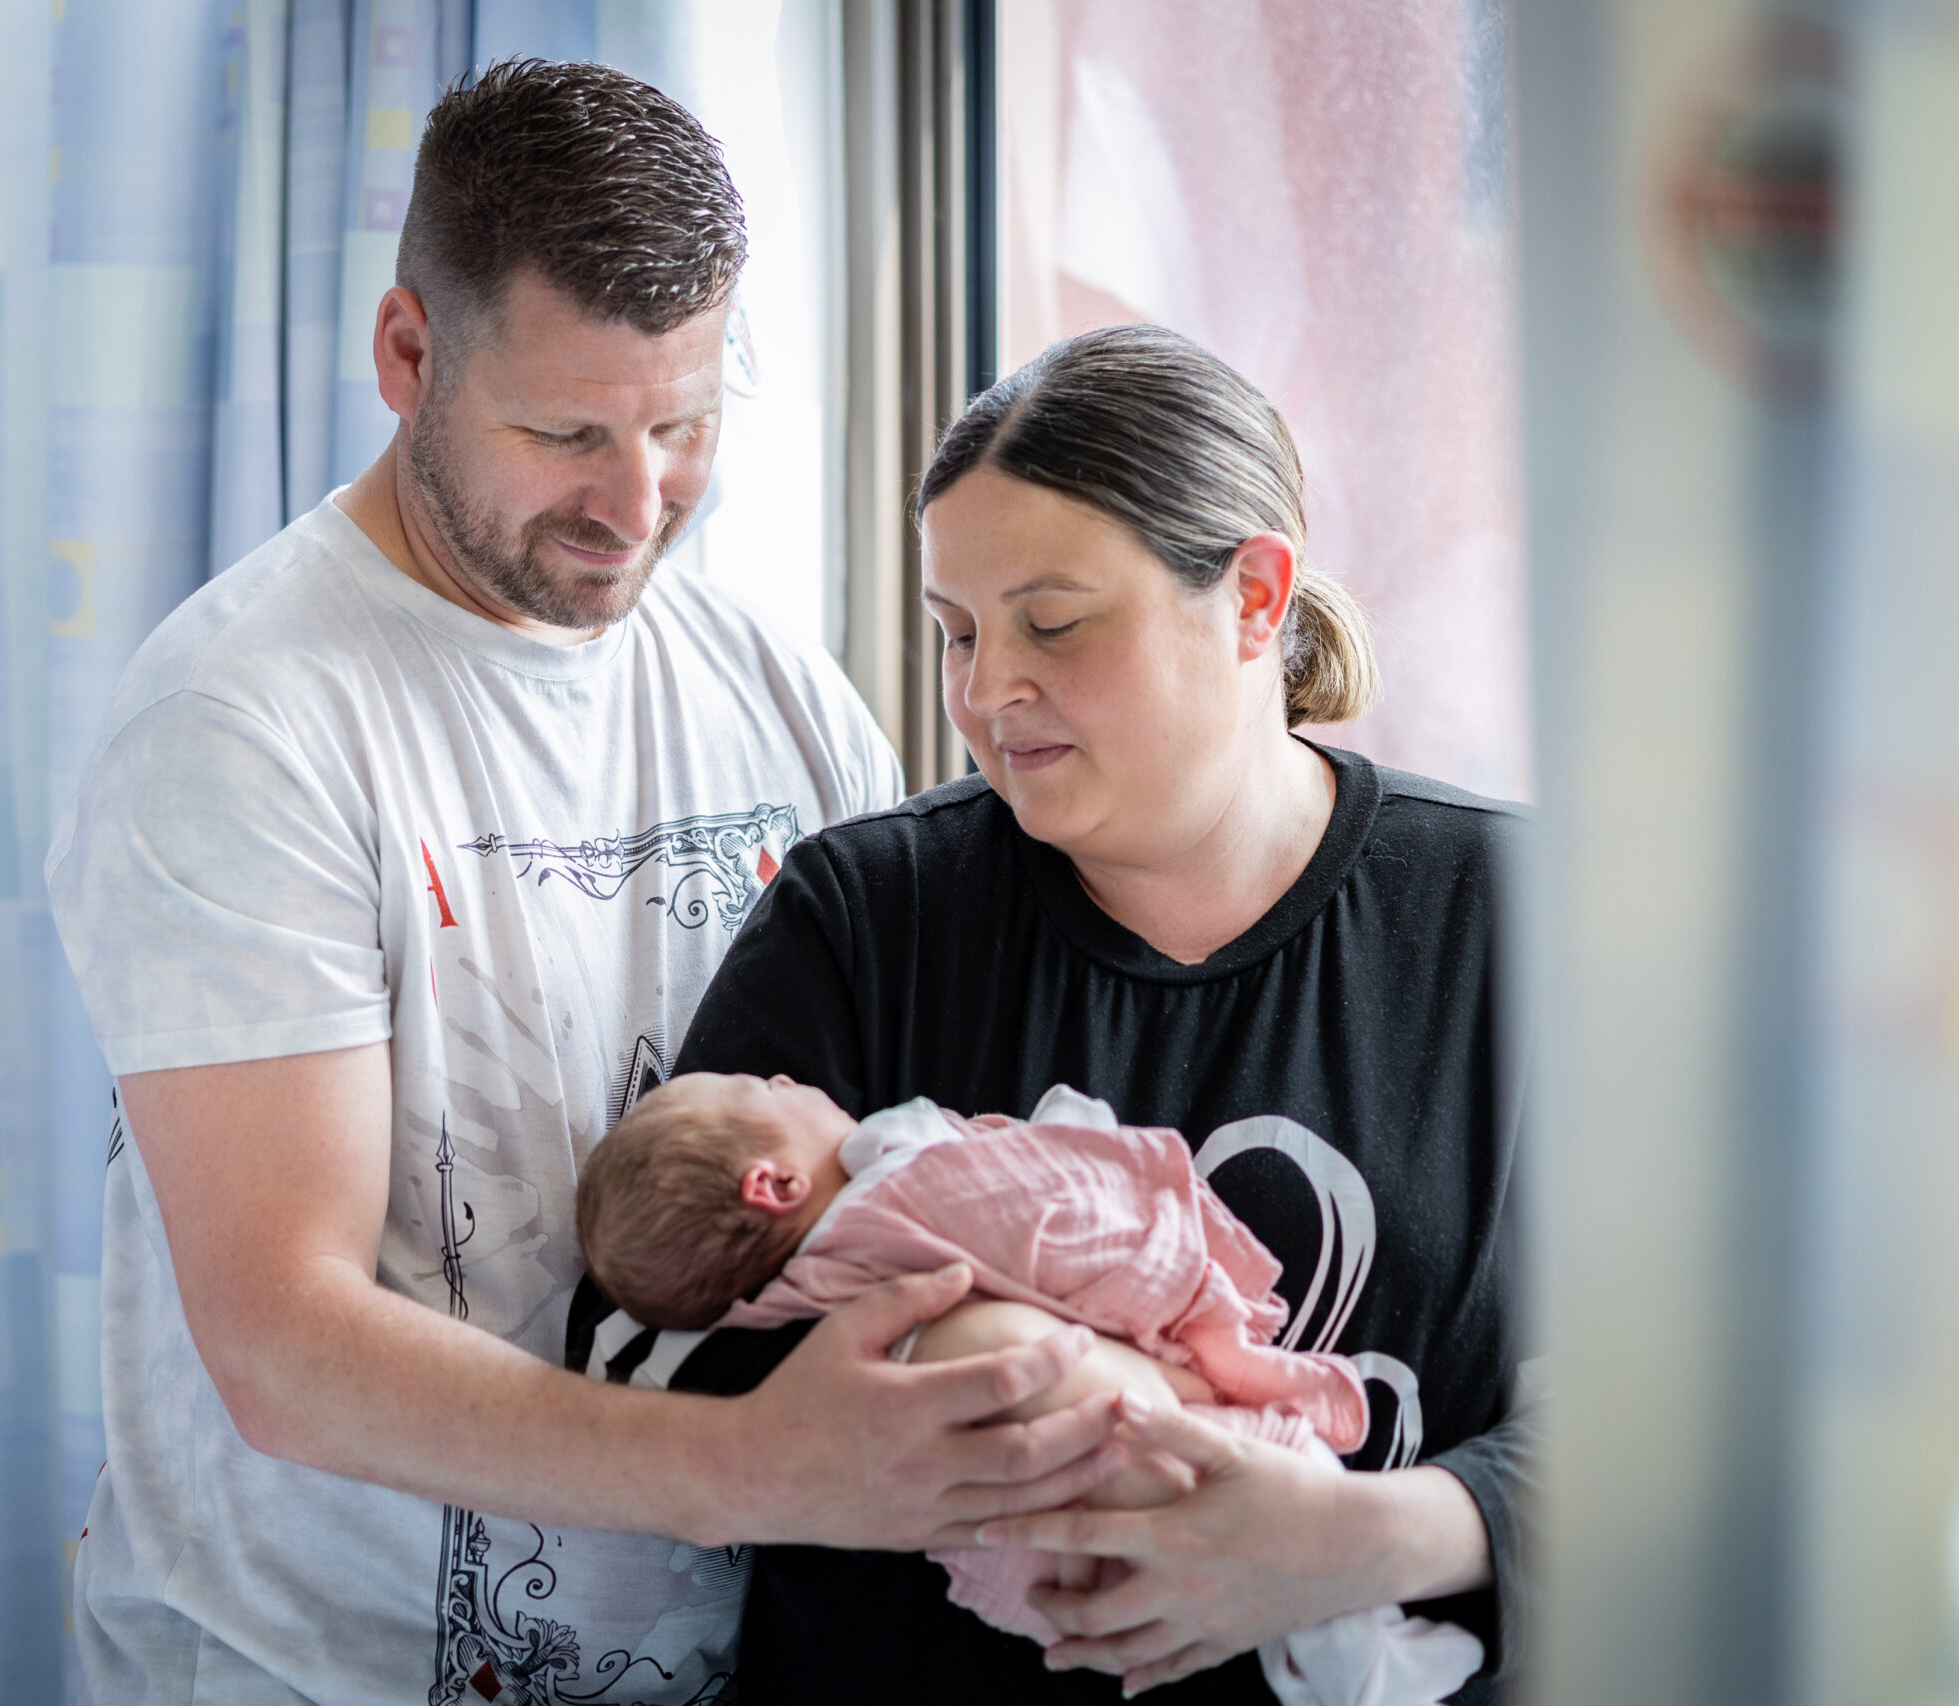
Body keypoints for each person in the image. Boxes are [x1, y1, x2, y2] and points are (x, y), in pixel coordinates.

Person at [45, 59, 1119, 1706]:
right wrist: (768, 1469)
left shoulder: (774, 688)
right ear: (408, 355)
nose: (636, 507)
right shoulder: (241, 728)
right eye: (565, 435)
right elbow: (284, 1348)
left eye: (683, 428)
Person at [611, 323, 1533, 1701]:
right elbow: (637, 1337)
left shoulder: (1515, 921)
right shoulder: (866, 918)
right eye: (957, 632)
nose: (988, 691)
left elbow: (1700, 1394)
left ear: (1255, 597)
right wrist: (967, 1373)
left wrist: (1364, 1537)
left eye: (1053, 623)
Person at [575, 1073, 1485, 1706]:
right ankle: (1362, 1665)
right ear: (774, 1182)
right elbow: (1052, 1200)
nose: (781, 1077)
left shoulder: (771, 1307)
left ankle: (1317, 1654)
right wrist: (1068, 1124)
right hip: (1091, 1466)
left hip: (1014, 1562)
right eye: (758, 1088)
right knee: (1296, 1489)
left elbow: (633, 1360)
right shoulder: (896, 1168)